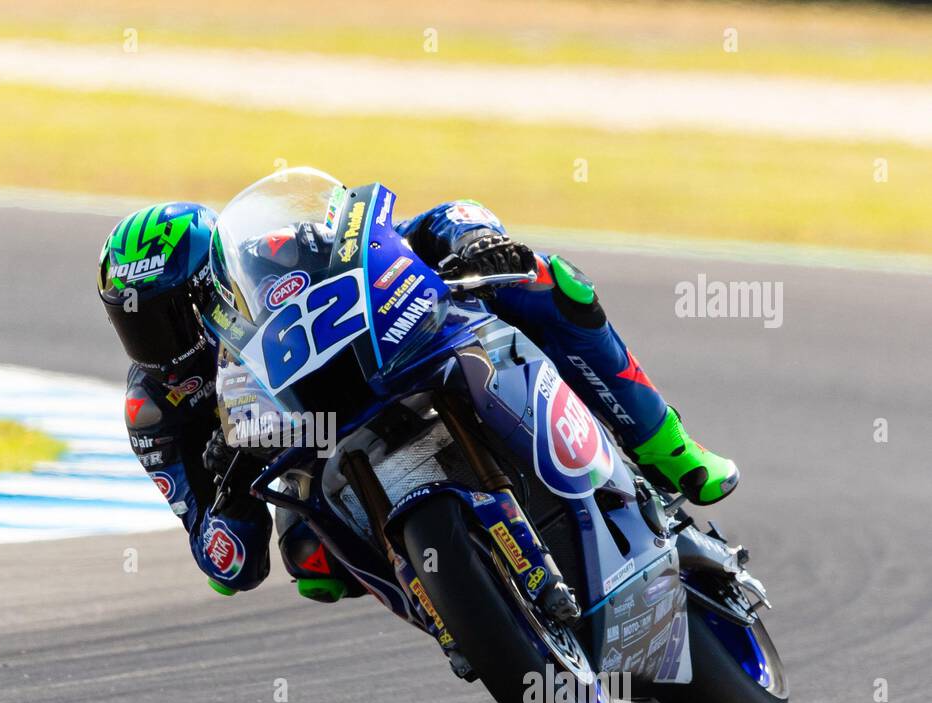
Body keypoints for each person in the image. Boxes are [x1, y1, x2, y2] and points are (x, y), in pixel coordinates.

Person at [96, 191, 738, 611]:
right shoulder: (153, 408)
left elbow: (408, 228)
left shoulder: (274, 252)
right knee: (312, 565)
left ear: (215, 279)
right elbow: (225, 563)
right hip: (312, 456)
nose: (157, 343)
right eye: (136, 325)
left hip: (392, 360)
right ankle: (454, 608)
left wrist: (470, 240)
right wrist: (227, 499)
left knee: (546, 282)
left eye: (168, 317)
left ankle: (668, 449)